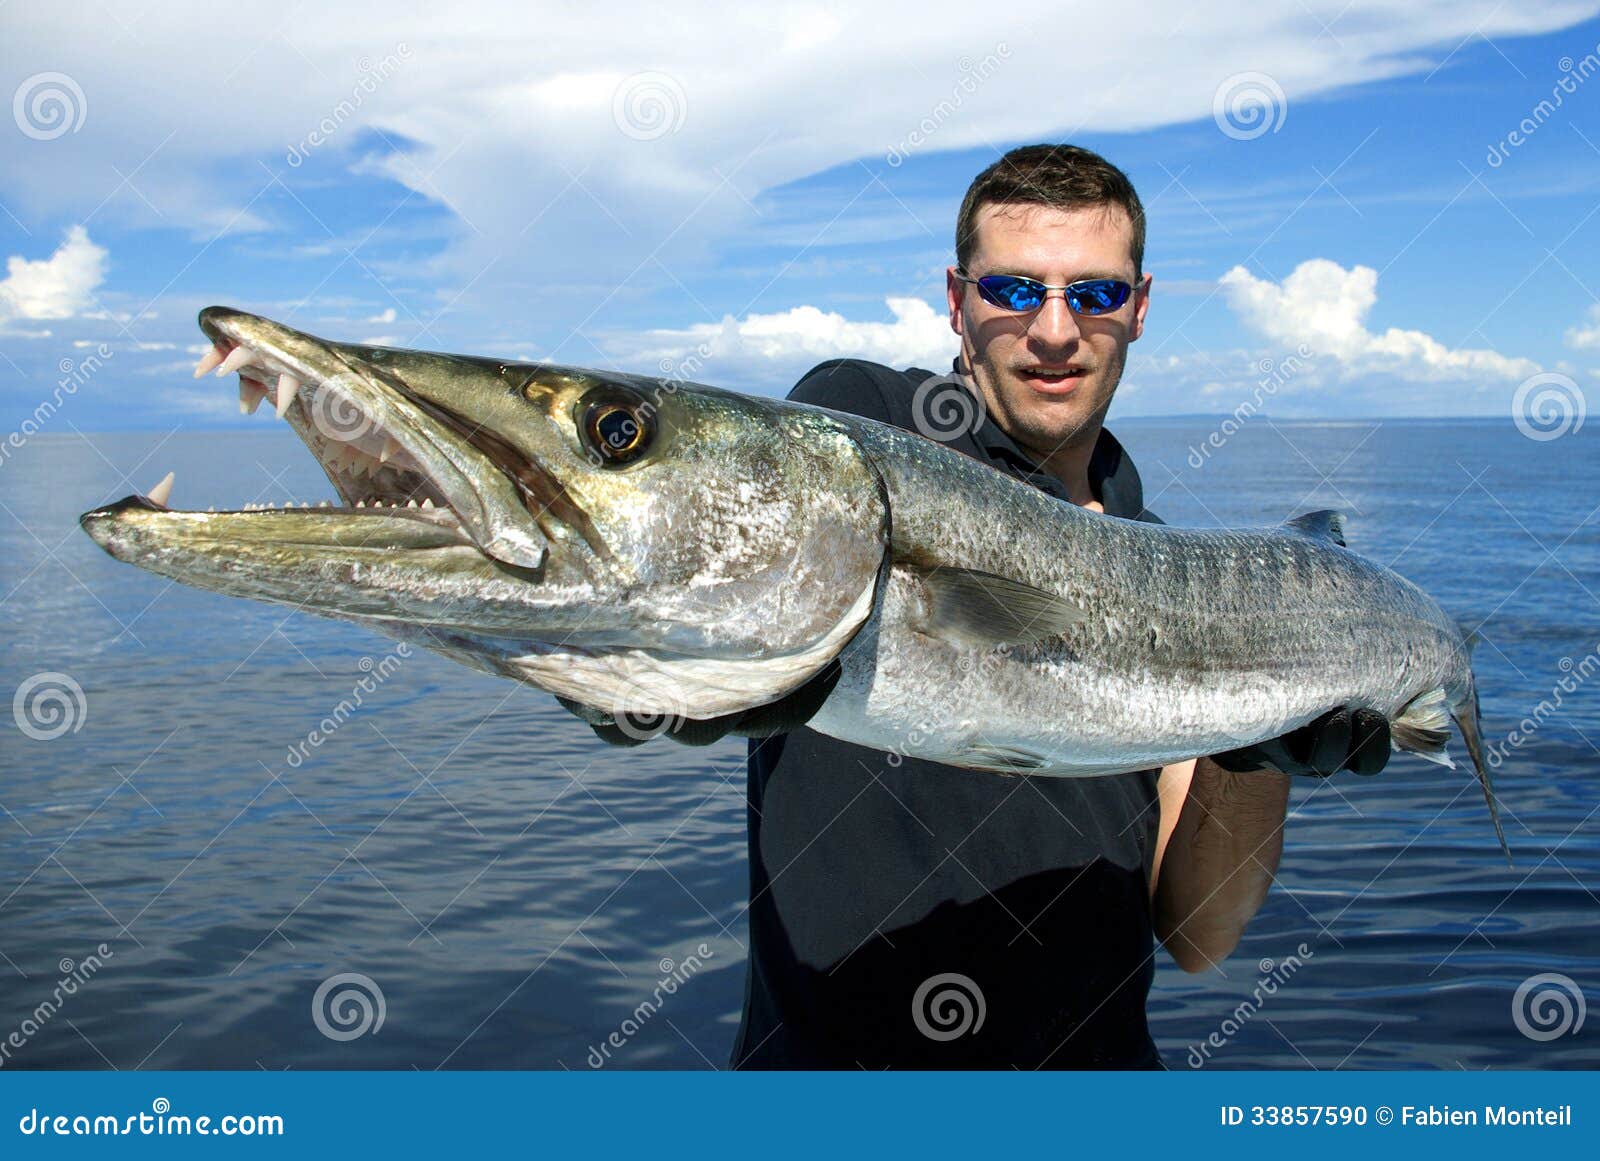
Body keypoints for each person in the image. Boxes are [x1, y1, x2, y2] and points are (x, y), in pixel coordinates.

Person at [571, 144, 1390, 1069]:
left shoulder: (1173, 568)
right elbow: (731, 550)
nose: (1052, 331)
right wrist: (629, 663)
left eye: (1093, 294)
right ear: (957, 302)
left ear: (1140, 308)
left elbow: (1200, 936)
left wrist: (1255, 757)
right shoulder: (860, 426)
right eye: (1012, 289)